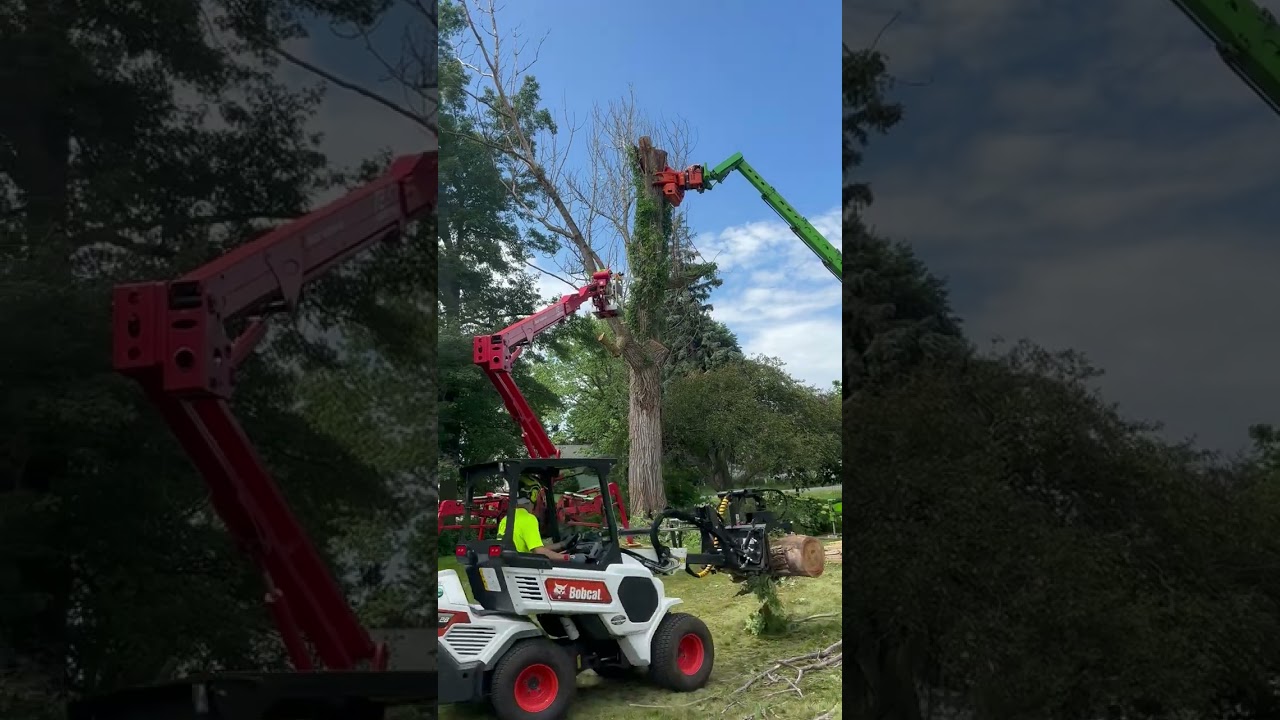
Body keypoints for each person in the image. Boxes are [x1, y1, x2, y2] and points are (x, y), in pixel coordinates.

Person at [498, 495, 586, 563]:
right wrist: (569, 558)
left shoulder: (506, 519)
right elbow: (538, 551)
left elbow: (535, 548)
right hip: (524, 566)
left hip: (512, 564)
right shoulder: (528, 519)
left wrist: (562, 544)